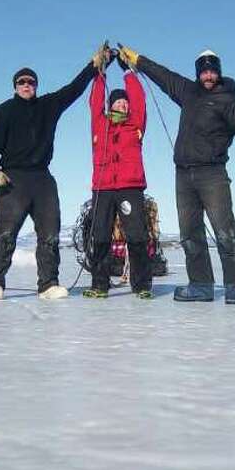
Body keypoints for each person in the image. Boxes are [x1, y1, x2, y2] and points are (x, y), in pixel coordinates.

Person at [116, 45, 235, 304]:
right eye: (204, 72)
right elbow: (163, 76)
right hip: (184, 175)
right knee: (189, 233)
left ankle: (234, 286)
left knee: (223, 231)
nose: (208, 76)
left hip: (213, 174)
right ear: (198, 73)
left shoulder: (229, 100)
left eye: (212, 72)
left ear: (218, 72)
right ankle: (201, 284)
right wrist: (138, 60)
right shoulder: (189, 92)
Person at [0, 45, 108, 299]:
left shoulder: (48, 106)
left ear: (36, 85)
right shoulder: (4, 110)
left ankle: (48, 284)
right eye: (22, 82)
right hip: (12, 178)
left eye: (31, 82)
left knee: (50, 233)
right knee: (5, 233)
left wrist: (95, 65)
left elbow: (74, 89)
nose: (27, 85)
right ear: (15, 86)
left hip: (42, 179)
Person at [83, 55, 153, 300]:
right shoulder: (99, 124)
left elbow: (140, 101)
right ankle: (100, 285)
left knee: (136, 236)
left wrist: (128, 72)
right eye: (118, 102)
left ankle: (142, 285)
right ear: (110, 105)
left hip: (130, 187)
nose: (123, 105)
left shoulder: (136, 125)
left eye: (125, 102)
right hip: (103, 188)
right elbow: (94, 102)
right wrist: (100, 73)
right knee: (100, 236)